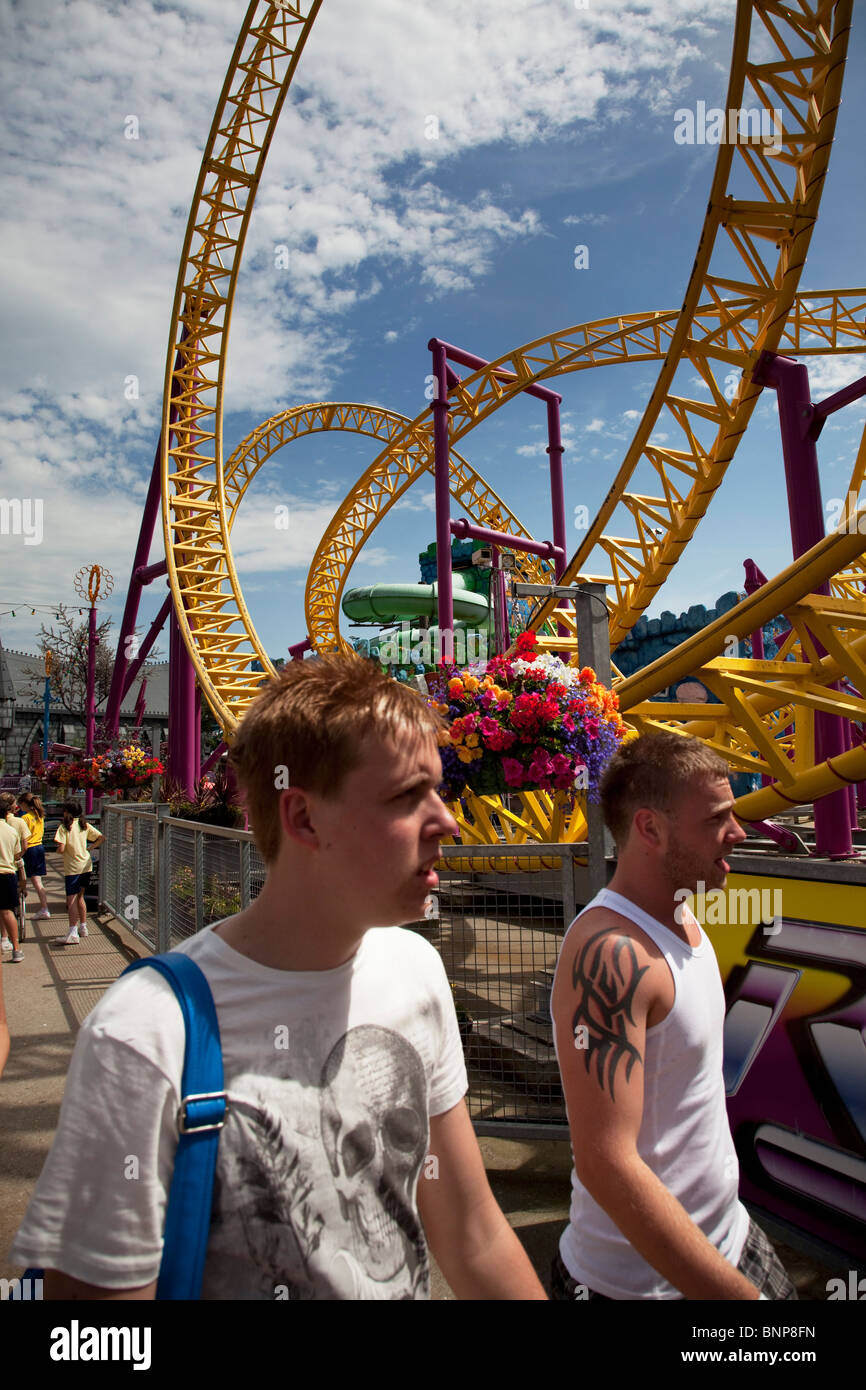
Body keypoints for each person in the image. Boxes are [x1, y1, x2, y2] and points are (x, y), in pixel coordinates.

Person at [11, 654, 547, 1300]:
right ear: (303, 819)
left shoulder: (417, 971)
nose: (447, 822)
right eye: (408, 796)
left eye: (441, 790)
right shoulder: (143, 1033)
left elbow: (474, 1235)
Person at [550, 730, 796, 1301]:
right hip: (643, 1286)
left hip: (729, 1238)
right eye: (717, 819)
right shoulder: (612, 955)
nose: (737, 832)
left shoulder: (681, 916)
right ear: (650, 829)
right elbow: (606, 1162)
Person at [54, 801, 103, 945]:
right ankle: (83, 926)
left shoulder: (64, 827)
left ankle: (73, 931)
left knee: (71, 900)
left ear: (67, 812)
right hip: (86, 865)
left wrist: (58, 850)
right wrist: (90, 847)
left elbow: (61, 848)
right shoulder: (84, 824)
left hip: (73, 868)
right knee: (81, 897)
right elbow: (101, 837)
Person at [17, 792, 51, 918]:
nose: (20, 807)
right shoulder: (40, 816)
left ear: (25, 804)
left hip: (29, 849)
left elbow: (23, 837)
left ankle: (19, 905)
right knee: (38, 881)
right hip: (39, 848)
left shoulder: (25, 818)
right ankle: (44, 907)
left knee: (22, 876)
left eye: (21, 804)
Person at [0, 793, 25, 963]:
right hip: (8, 873)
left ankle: (3, 940)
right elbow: (17, 855)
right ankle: (16, 948)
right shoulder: (11, 831)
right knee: (7, 911)